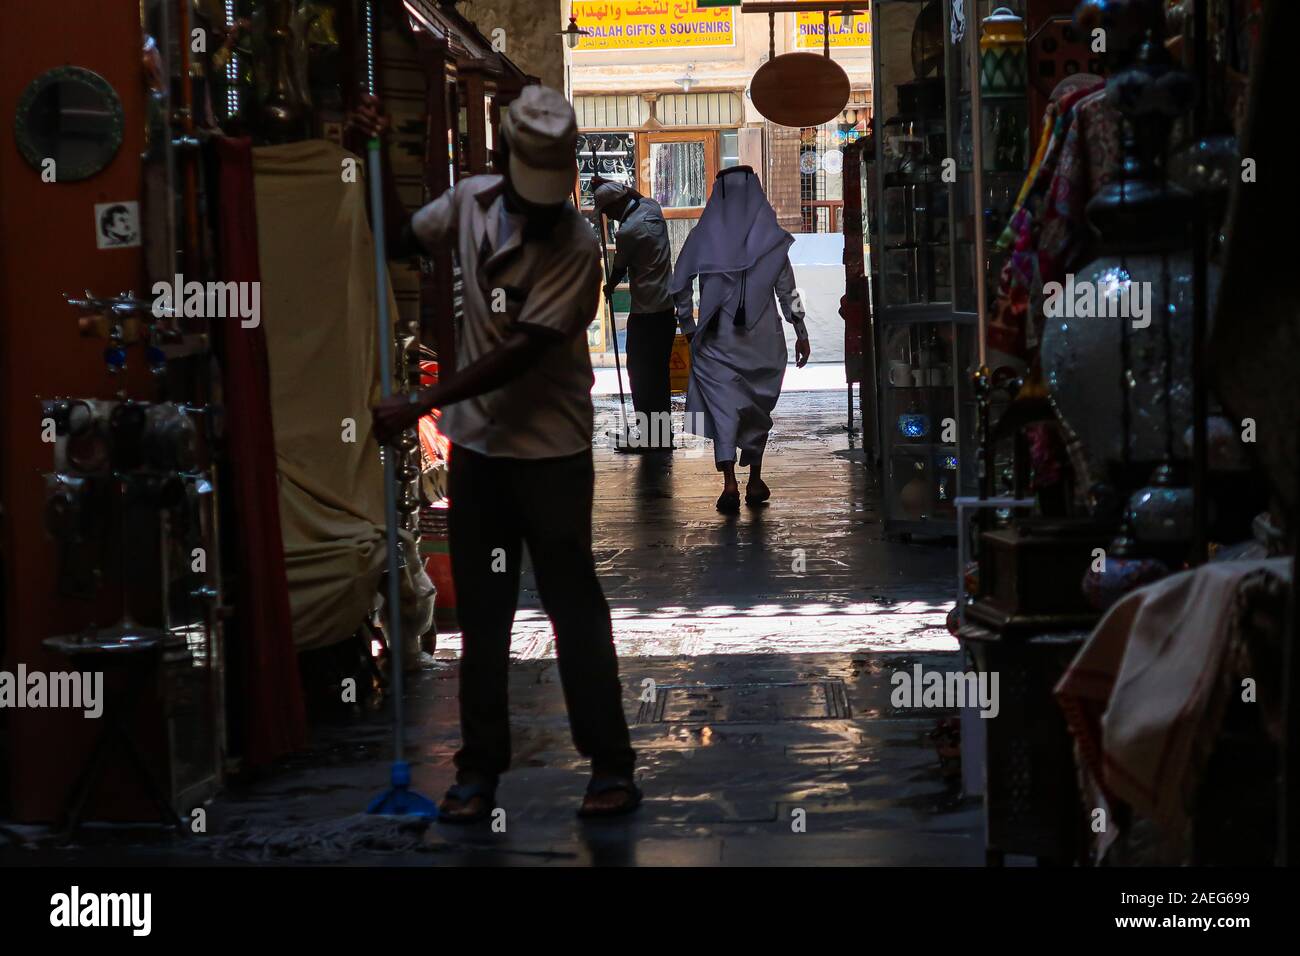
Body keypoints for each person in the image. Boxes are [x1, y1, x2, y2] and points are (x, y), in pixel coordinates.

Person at [371, 86, 639, 822]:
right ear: (506, 160)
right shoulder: (467, 203)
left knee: (573, 608)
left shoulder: (579, 247)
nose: (545, 206)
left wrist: (419, 403)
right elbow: (397, 239)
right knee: (484, 620)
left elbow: (523, 352)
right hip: (482, 452)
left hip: (551, 455)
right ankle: (478, 772)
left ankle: (612, 766)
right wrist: (370, 158)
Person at [669, 166, 811, 514]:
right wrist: (800, 330)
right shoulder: (772, 239)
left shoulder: (704, 237)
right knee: (755, 410)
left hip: (718, 341)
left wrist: (689, 325)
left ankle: (730, 483)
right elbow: (788, 292)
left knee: (724, 411)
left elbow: (678, 284)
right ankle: (755, 480)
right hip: (763, 343)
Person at [593, 179, 675, 450]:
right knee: (659, 376)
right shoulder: (652, 209)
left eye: (607, 211)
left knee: (640, 376)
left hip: (645, 312)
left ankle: (648, 437)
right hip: (665, 311)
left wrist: (609, 287)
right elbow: (633, 194)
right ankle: (662, 435)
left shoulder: (628, 232)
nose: (608, 216)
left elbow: (619, 270)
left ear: (617, 204)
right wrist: (604, 183)